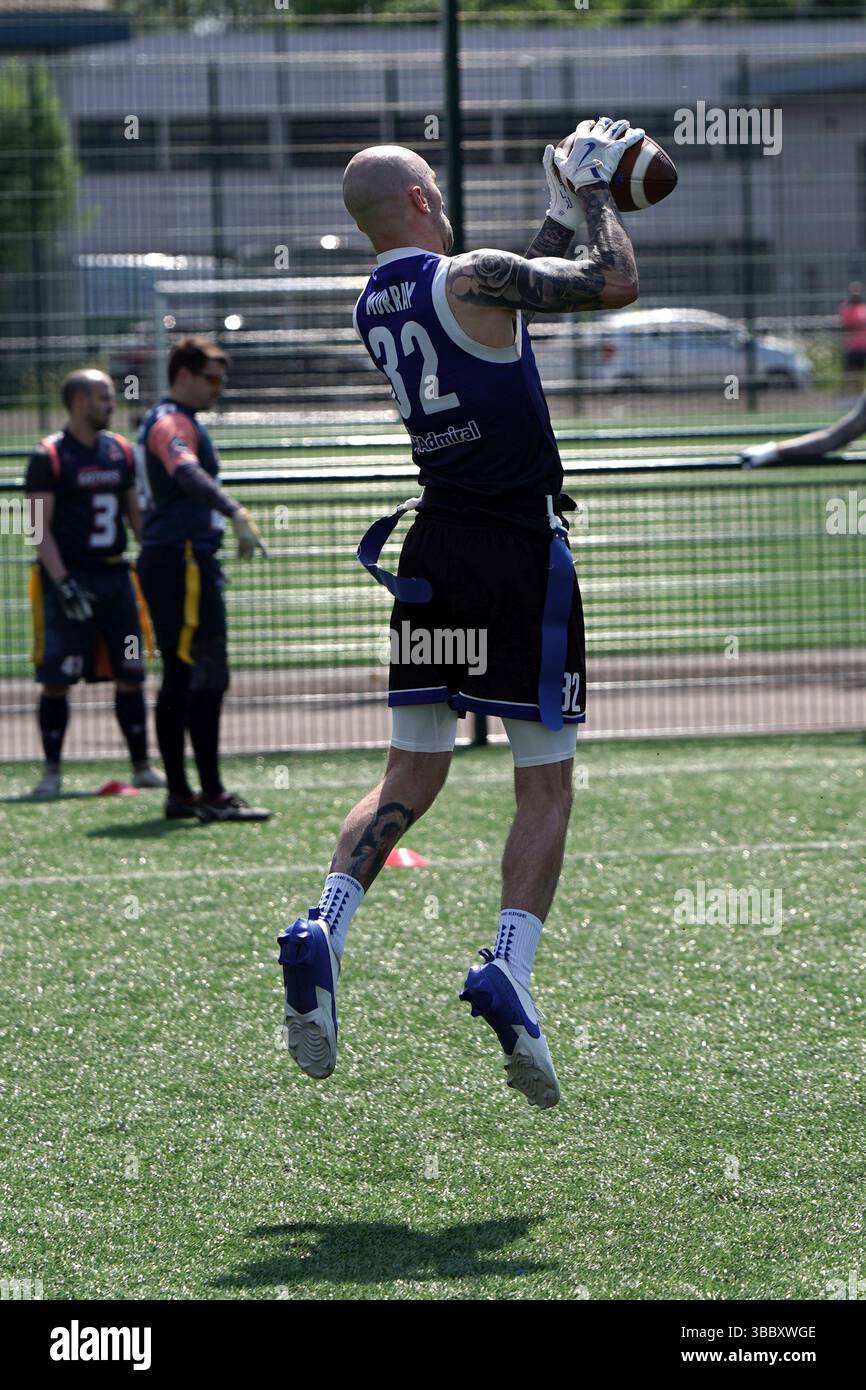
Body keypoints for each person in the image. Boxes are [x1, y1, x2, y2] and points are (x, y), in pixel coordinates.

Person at [277, 119, 642, 1108]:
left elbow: (507, 293)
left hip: (432, 548)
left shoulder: (376, 299)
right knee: (543, 782)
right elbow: (611, 285)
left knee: (411, 768)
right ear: (417, 201)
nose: (441, 195)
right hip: (518, 549)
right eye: (432, 184)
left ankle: (324, 926)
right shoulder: (472, 274)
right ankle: (509, 969)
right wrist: (598, 194)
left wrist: (555, 215)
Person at [135, 336, 271, 822]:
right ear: (184, 375)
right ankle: (204, 794)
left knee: (186, 675)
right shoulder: (171, 420)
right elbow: (186, 474)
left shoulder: (176, 420)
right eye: (210, 378)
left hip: (180, 558)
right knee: (200, 676)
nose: (218, 388)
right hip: (182, 559)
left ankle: (187, 793)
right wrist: (232, 510)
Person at [24, 369, 163, 798]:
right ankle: (51, 772)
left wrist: (157, 558)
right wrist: (62, 581)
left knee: (131, 670)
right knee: (57, 677)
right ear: (81, 400)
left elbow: (135, 516)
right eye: (104, 397)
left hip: (116, 578)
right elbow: (34, 527)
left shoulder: (118, 450)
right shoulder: (46, 455)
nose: (112, 404)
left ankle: (141, 766)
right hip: (65, 579)